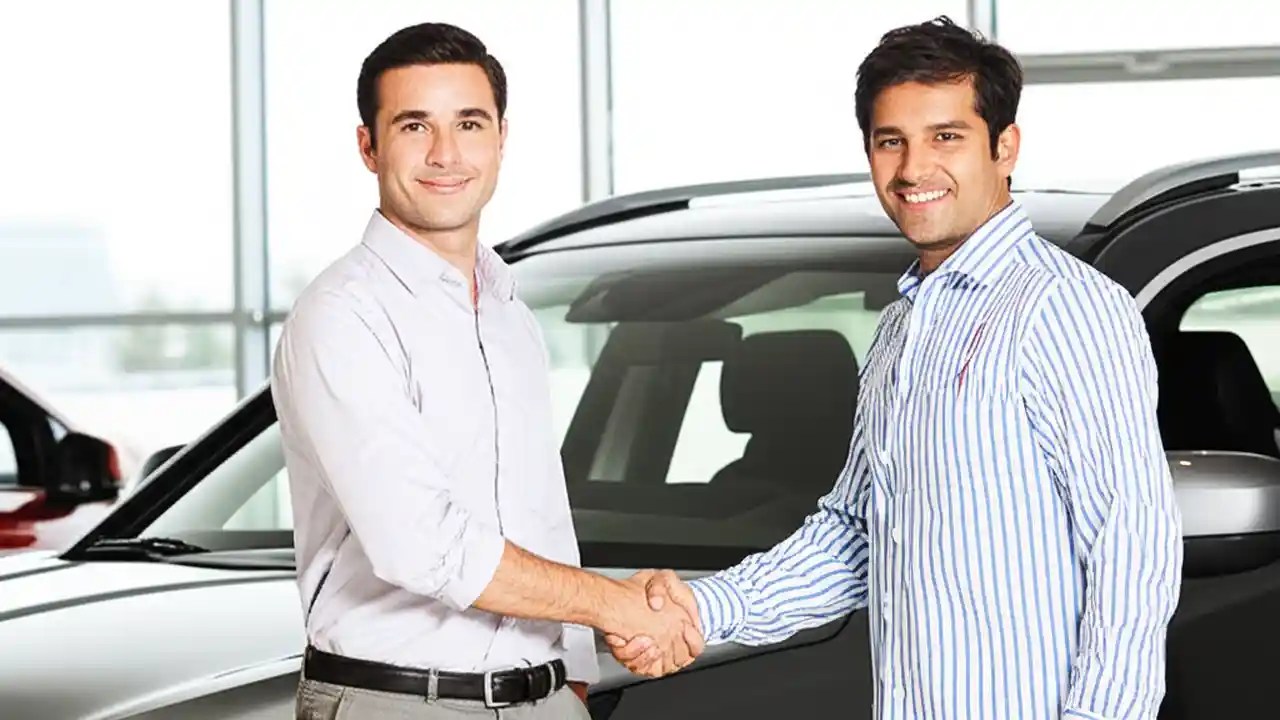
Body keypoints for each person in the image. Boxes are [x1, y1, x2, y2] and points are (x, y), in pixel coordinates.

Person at [609, 16, 1183, 720]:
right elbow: (856, 535)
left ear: (1005, 147)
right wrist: (701, 605)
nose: (913, 169)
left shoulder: (1062, 308)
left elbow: (1130, 547)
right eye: (891, 142)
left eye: (946, 136)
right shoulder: (902, 329)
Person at [272, 22, 699, 720]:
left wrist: (574, 672)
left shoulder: (507, 311)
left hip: (546, 700)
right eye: (415, 126)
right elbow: (422, 544)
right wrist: (613, 605)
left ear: (502, 137)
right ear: (367, 146)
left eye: (469, 123)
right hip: (401, 703)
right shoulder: (341, 316)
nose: (446, 154)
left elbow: (537, 511)